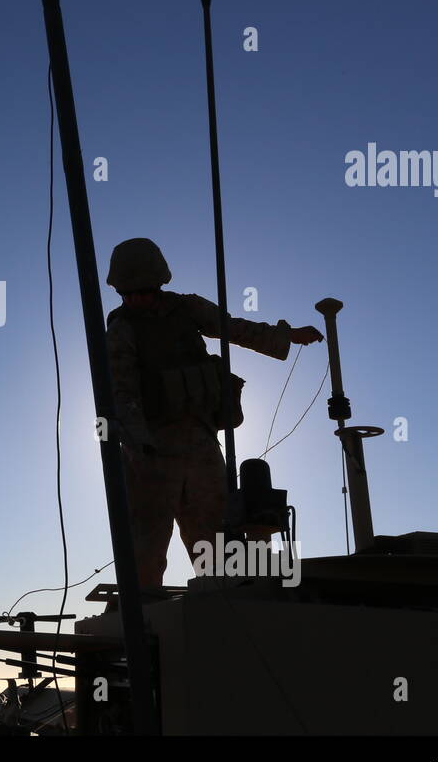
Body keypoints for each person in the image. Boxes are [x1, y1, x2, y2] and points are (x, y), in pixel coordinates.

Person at [104, 237, 323, 588]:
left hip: (201, 445)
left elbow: (234, 328)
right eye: (128, 294)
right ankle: (140, 619)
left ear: (159, 283)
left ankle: (233, 616)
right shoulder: (121, 330)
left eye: (144, 291)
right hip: (152, 450)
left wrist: (287, 336)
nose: (137, 299)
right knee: (145, 548)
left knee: (219, 548)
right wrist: (139, 451)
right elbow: (121, 394)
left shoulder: (187, 309)